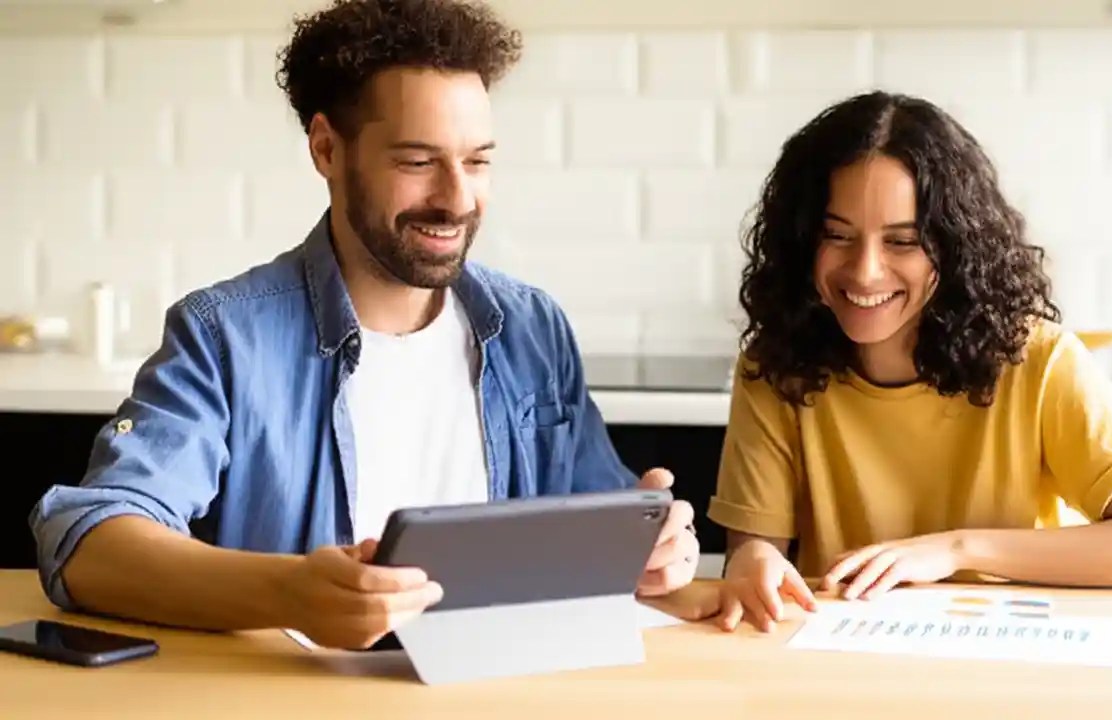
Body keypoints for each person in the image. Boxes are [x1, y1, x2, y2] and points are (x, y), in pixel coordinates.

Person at [28, 0, 702, 650]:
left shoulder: (531, 327)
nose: (457, 199)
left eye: (477, 161)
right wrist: (286, 592)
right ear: (327, 149)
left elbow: (602, 527)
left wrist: (654, 550)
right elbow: (88, 541)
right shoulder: (225, 336)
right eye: (417, 162)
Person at [708, 91, 1112, 633]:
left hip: (1010, 652)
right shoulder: (775, 367)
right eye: (837, 236)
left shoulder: (1040, 361)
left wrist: (955, 550)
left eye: (903, 241)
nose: (865, 270)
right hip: (837, 653)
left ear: (953, 247)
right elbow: (754, 554)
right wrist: (750, 562)